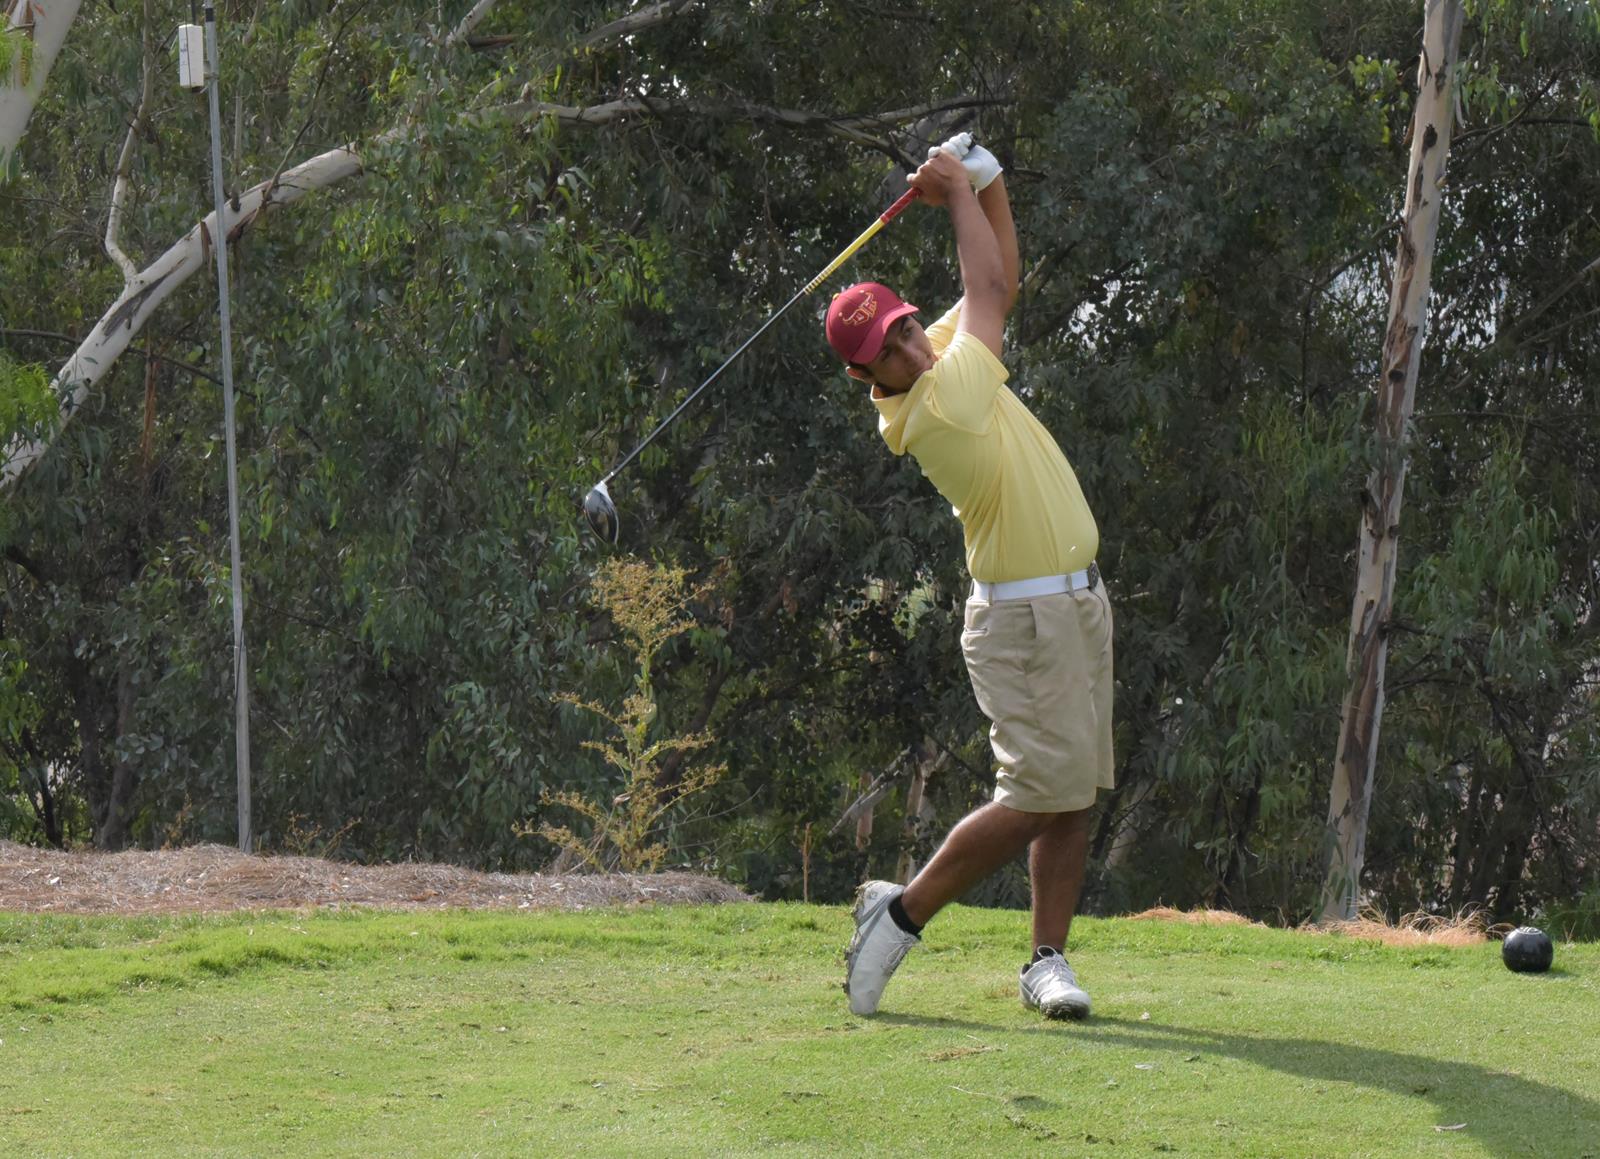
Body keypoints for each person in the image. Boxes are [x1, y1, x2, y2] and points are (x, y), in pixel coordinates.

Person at [824, 135, 1113, 1021]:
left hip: (1073, 606)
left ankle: (1046, 960)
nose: (910, 341)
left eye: (907, 324)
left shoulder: (936, 353)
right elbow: (987, 290)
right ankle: (899, 914)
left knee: (1074, 792)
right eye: (889, 343)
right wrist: (955, 191)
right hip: (1023, 625)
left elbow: (1000, 281)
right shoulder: (935, 405)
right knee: (1037, 794)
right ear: (865, 372)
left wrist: (982, 182)